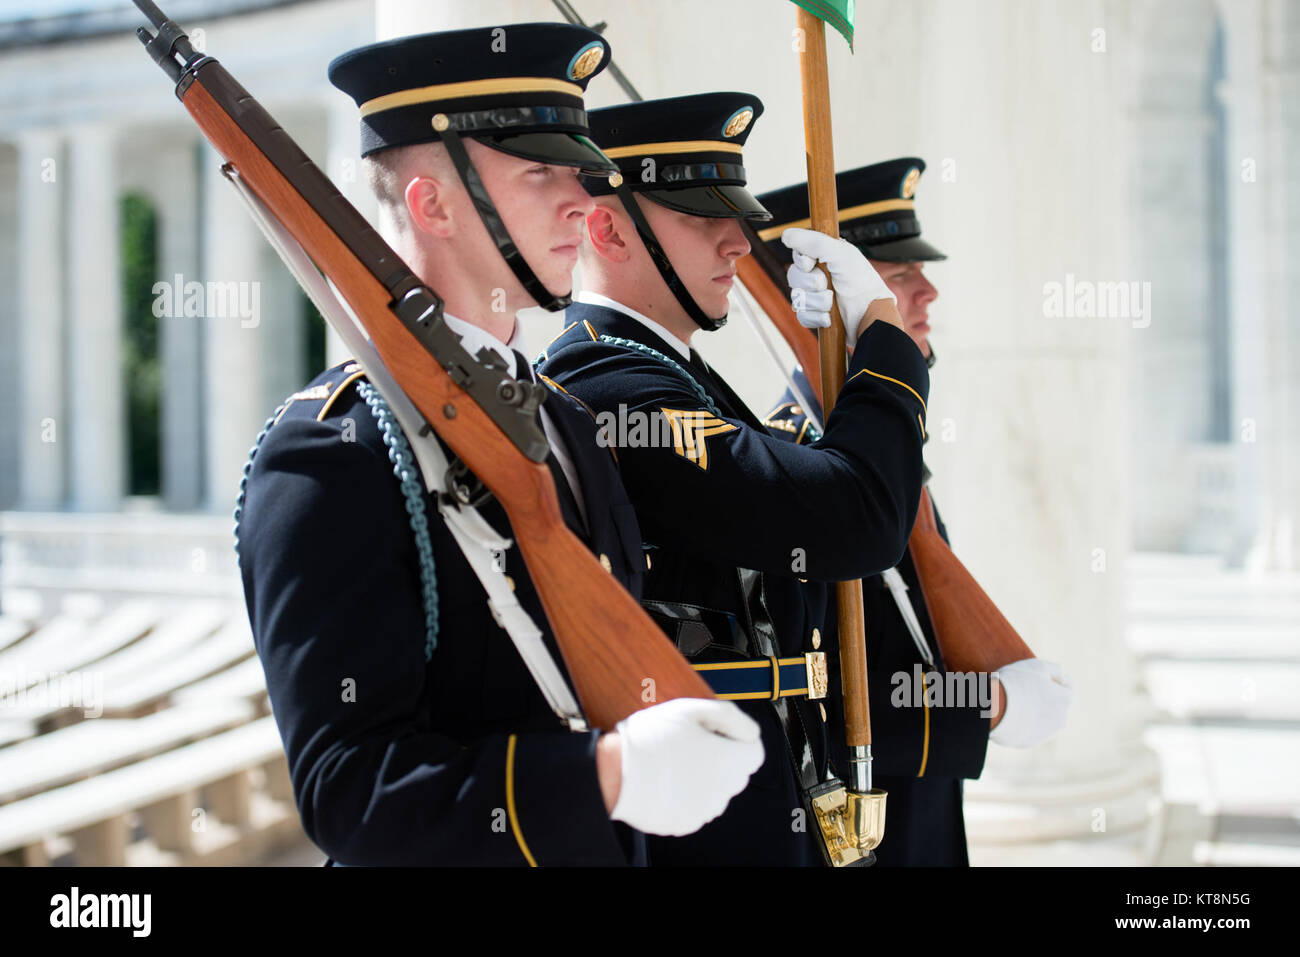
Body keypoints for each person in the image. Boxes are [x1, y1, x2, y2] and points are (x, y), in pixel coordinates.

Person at [235, 24, 763, 867]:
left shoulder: (566, 418)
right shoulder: (335, 448)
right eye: (538, 171)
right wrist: (606, 777)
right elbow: (350, 789)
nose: (582, 205)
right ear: (432, 205)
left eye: (581, 174)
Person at [536, 94, 930, 865]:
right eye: (699, 217)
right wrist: (881, 336)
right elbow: (854, 515)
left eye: (735, 216)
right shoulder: (612, 384)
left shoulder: (671, 374)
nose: (737, 244)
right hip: (717, 827)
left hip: (762, 793)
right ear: (608, 228)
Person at [755, 158, 1073, 865]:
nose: (926, 291)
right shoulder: (801, 456)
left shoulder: (878, 447)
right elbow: (816, 699)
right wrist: (987, 702)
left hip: (920, 816)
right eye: (895, 280)